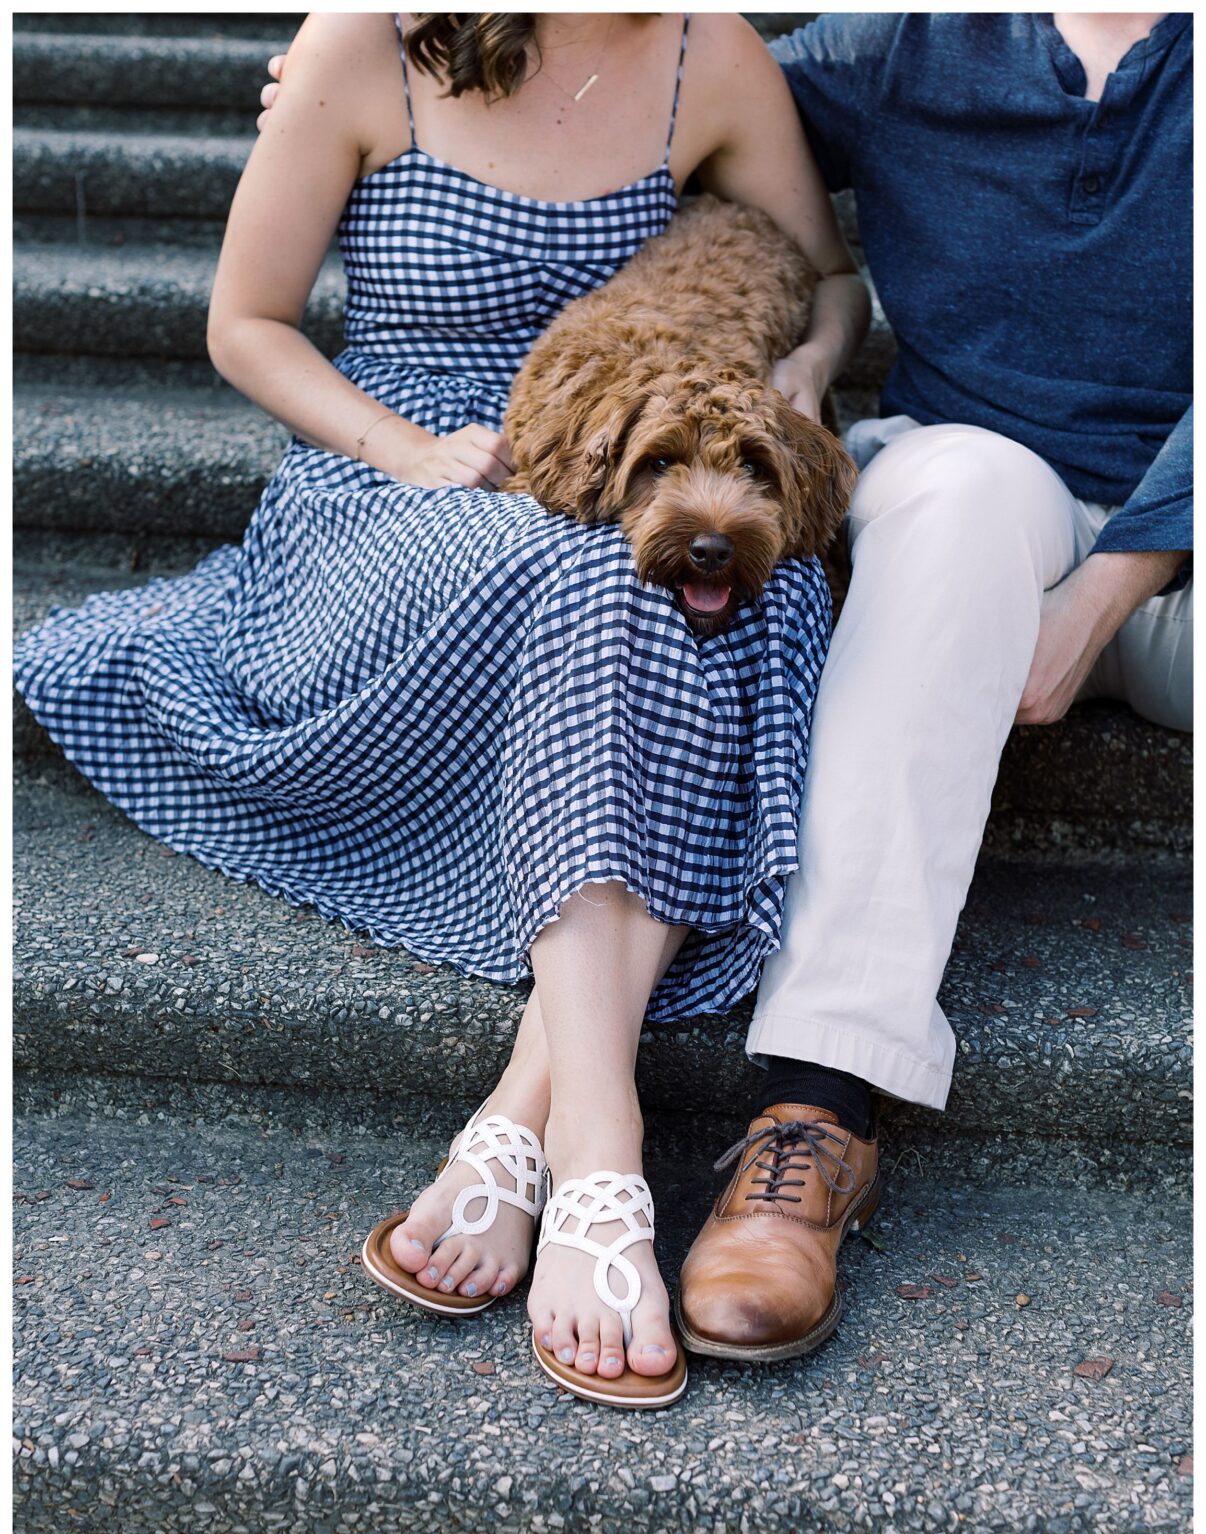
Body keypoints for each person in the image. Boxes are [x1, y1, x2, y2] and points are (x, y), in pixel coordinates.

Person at [253, 10, 1191, 1369]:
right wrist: (347, 63)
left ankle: (541, 1113)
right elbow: (633, 108)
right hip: (991, 510)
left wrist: (1107, 591)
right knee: (934, 495)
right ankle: (809, 1108)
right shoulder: (896, 44)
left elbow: (778, 223)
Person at [12, 12, 869, 1409]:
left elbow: (829, 278)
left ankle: (521, 1129)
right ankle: (605, 1144)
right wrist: (406, 450)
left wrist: (801, 374)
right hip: (390, 476)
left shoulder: (709, 55)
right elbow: (246, 322)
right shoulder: (367, 44)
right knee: (598, 580)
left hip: (620, 474)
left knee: (722, 586)